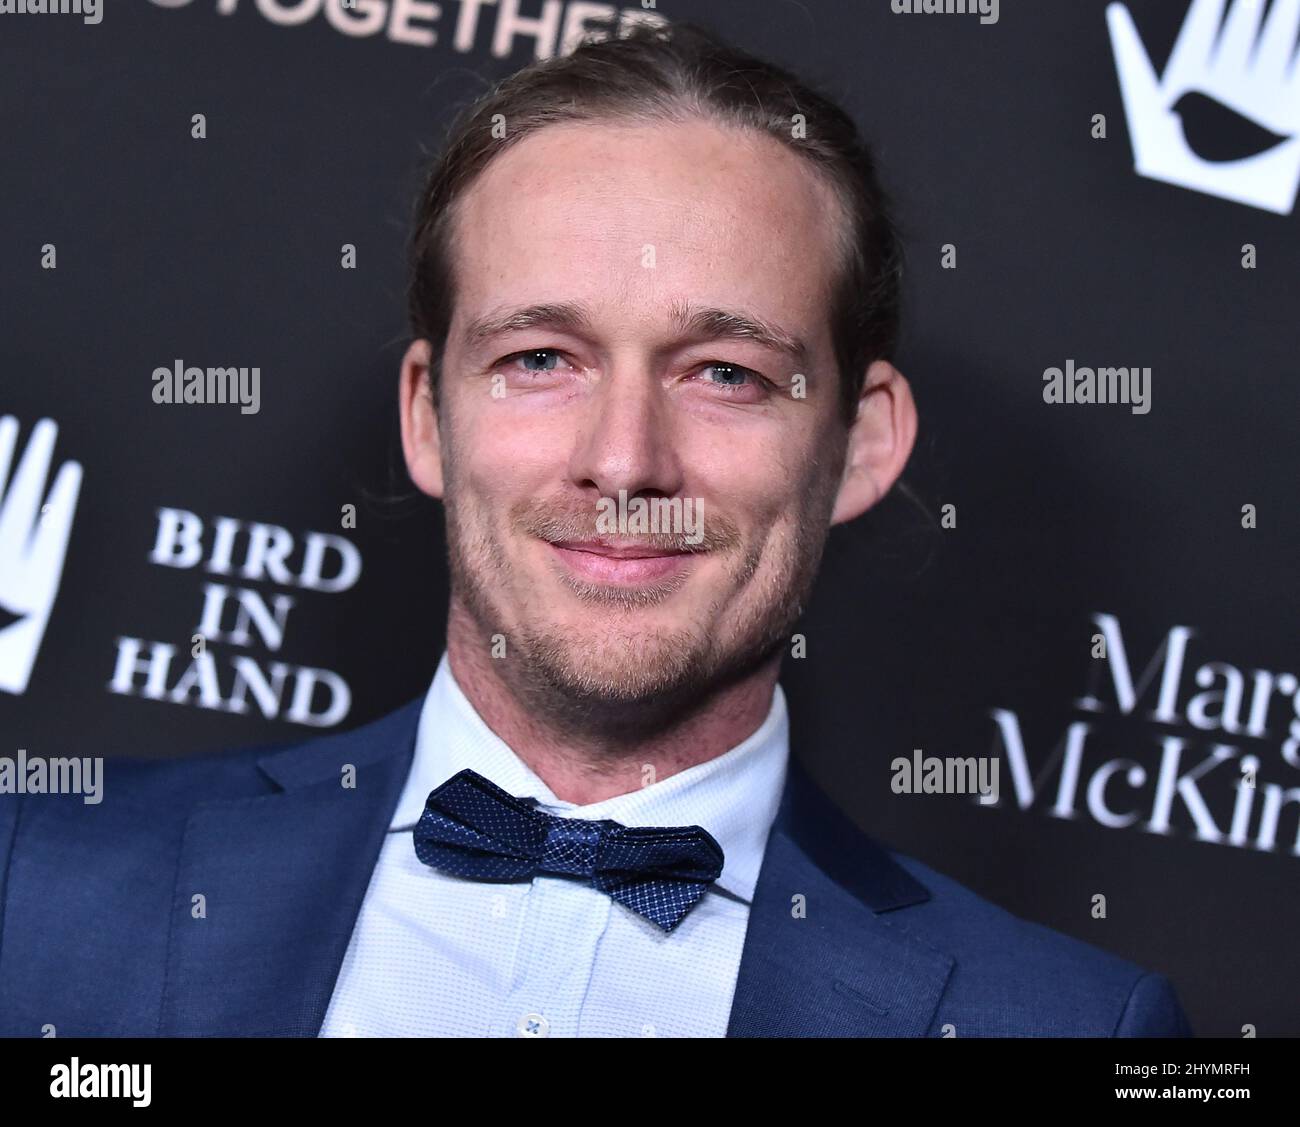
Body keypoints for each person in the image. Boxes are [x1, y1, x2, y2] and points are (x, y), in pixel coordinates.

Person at [0, 20, 1191, 1038]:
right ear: (427, 414)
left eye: (722, 371)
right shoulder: (39, 885)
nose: (623, 460)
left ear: (862, 441)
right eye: (538, 359)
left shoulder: (1063, 1023)